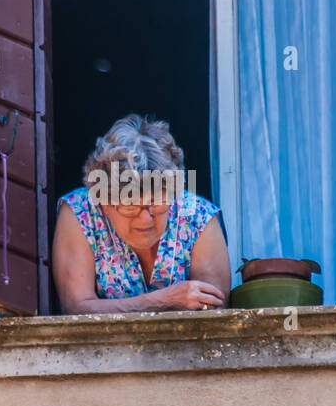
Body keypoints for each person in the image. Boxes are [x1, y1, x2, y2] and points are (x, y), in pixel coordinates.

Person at [52, 114, 232, 314]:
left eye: (156, 204)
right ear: (103, 200)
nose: (145, 218)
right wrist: (162, 300)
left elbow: (214, 312)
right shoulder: (81, 211)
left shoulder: (198, 215)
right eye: (130, 207)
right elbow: (76, 308)